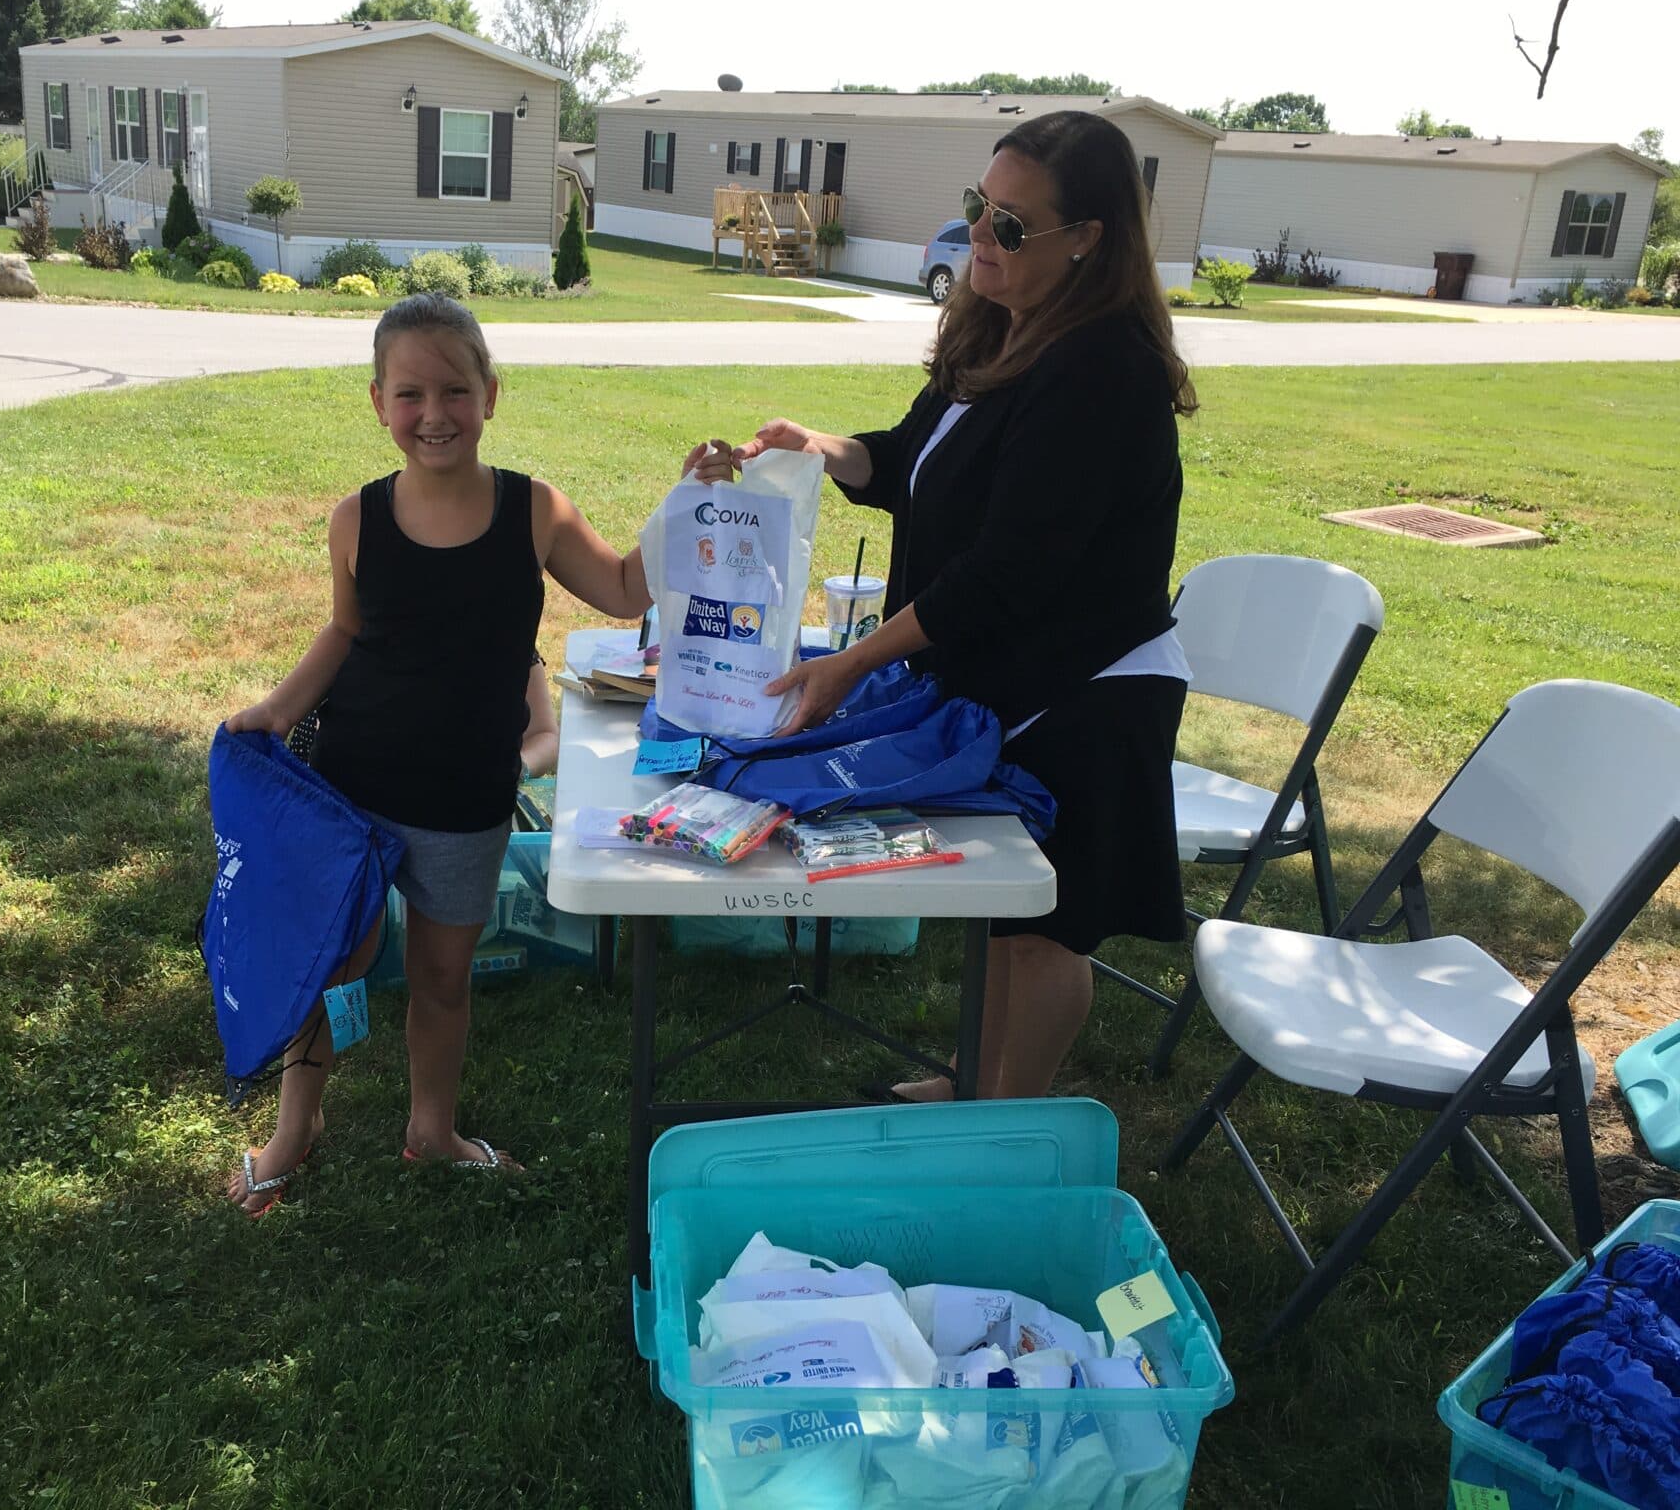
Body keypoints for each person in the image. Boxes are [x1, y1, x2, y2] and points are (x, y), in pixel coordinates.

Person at [688, 110, 1198, 1101]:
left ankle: (1002, 1117)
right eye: (977, 206)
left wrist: (852, 663)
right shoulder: (997, 326)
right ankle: (975, 1081)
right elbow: (910, 463)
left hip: (1087, 693)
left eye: (1010, 224)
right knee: (999, 914)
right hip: (1003, 676)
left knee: (1042, 925)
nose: (978, 236)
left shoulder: (1102, 368)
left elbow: (1007, 570)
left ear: (1086, 239)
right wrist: (821, 448)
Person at [223, 293, 649, 1212]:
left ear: (491, 394)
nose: (434, 414)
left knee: (443, 978)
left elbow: (623, 590)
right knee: (328, 964)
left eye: (455, 390)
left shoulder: (536, 511)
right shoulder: (356, 519)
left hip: (465, 798)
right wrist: (276, 709)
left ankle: (432, 1129)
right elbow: (344, 631)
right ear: (378, 401)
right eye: (410, 394)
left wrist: (694, 506)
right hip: (353, 790)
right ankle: (296, 1128)